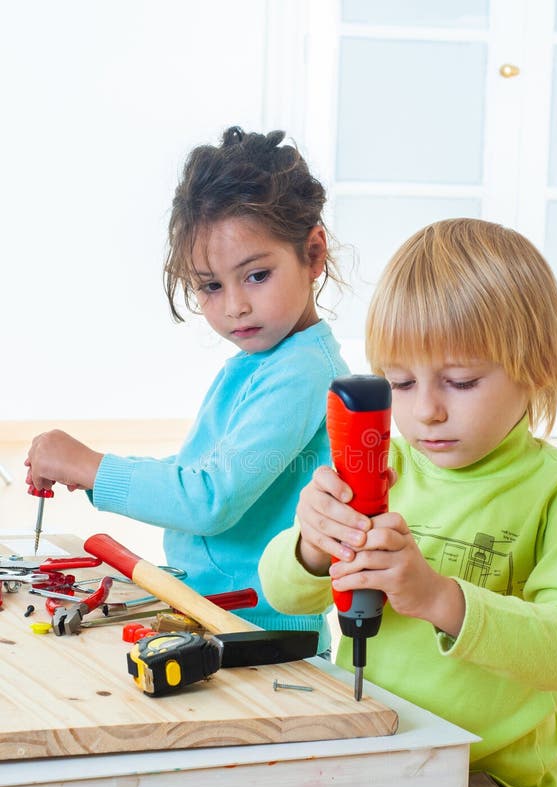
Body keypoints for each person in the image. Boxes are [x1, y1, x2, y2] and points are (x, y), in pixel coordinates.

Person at [119, 217, 557, 787]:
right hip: (361, 755)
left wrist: (441, 598)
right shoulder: (377, 465)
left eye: (461, 381)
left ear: (539, 370)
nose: (428, 411)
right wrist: (310, 549)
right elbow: (285, 592)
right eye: (401, 383)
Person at [26, 125, 348, 652]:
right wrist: (92, 472)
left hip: (262, 637)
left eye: (257, 275)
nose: (235, 306)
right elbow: (198, 476)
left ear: (313, 253)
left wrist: (91, 466)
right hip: (212, 614)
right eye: (211, 286)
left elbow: (209, 499)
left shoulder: (302, 372)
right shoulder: (261, 362)